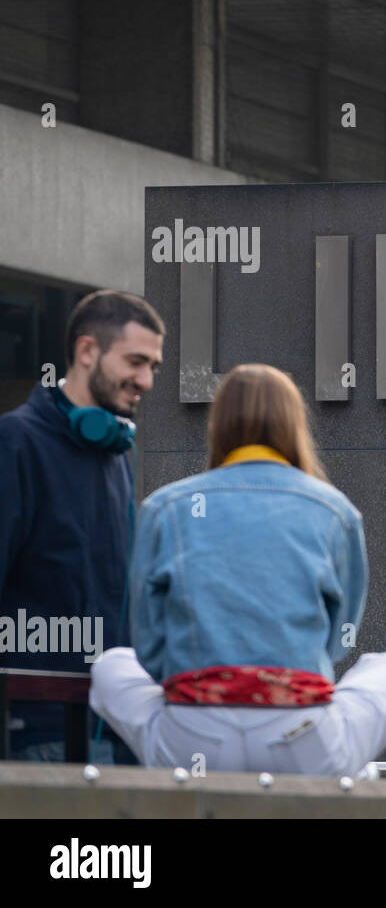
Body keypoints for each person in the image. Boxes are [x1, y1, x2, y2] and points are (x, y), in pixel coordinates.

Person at [89, 363, 386, 776]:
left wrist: (211, 681)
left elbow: (148, 649)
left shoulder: (165, 507)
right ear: (295, 425)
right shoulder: (335, 510)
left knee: (110, 664)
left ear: (215, 427)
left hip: (191, 741)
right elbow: (336, 641)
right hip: (302, 738)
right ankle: (347, 766)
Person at [0, 289, 165, 763]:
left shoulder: (113, 456)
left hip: (113, 732)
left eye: (153, 366)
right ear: (87, 351)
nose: (147, 380)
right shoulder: (15, 444)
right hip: (34, 732)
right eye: (136, 361)